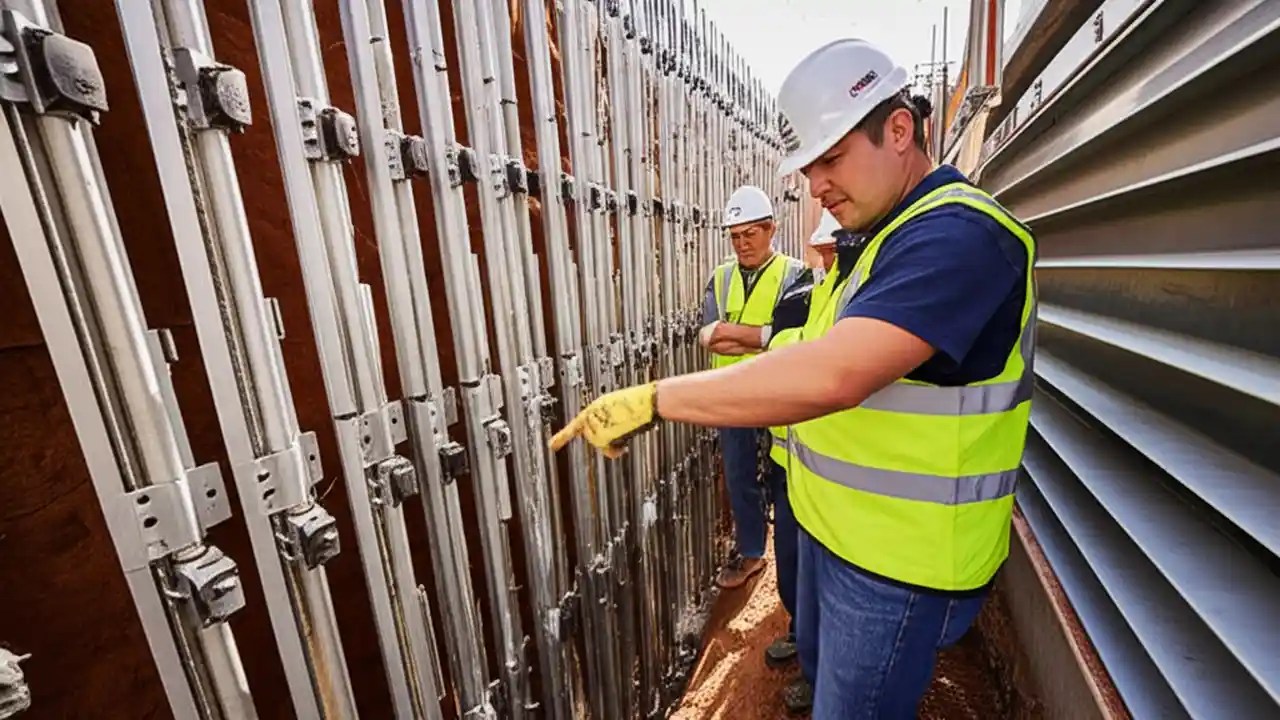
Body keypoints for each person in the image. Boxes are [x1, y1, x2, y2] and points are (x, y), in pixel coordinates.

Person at [550, 36, 1036, 720]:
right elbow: (808, 343)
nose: (816, 186)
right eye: (809, 167)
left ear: (899, 129)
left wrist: (656, 399)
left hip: (902, 566)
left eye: (831, 158)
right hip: (841, 534)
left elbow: (835, 372)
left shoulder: (960, 236)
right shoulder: (876, 243)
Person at [697, 184, 803, 589]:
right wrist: (764, 335)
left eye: (750, 234)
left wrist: (740, 334)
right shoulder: (721, 277)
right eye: (735, 236)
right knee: (740, 475)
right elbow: (710, 336)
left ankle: (789, 557)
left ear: (771, 229)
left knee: (783, 475)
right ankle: (753, 552)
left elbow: (795, 336)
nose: (742, 244)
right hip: (733, 396)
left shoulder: (795, 275)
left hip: (779, 397)